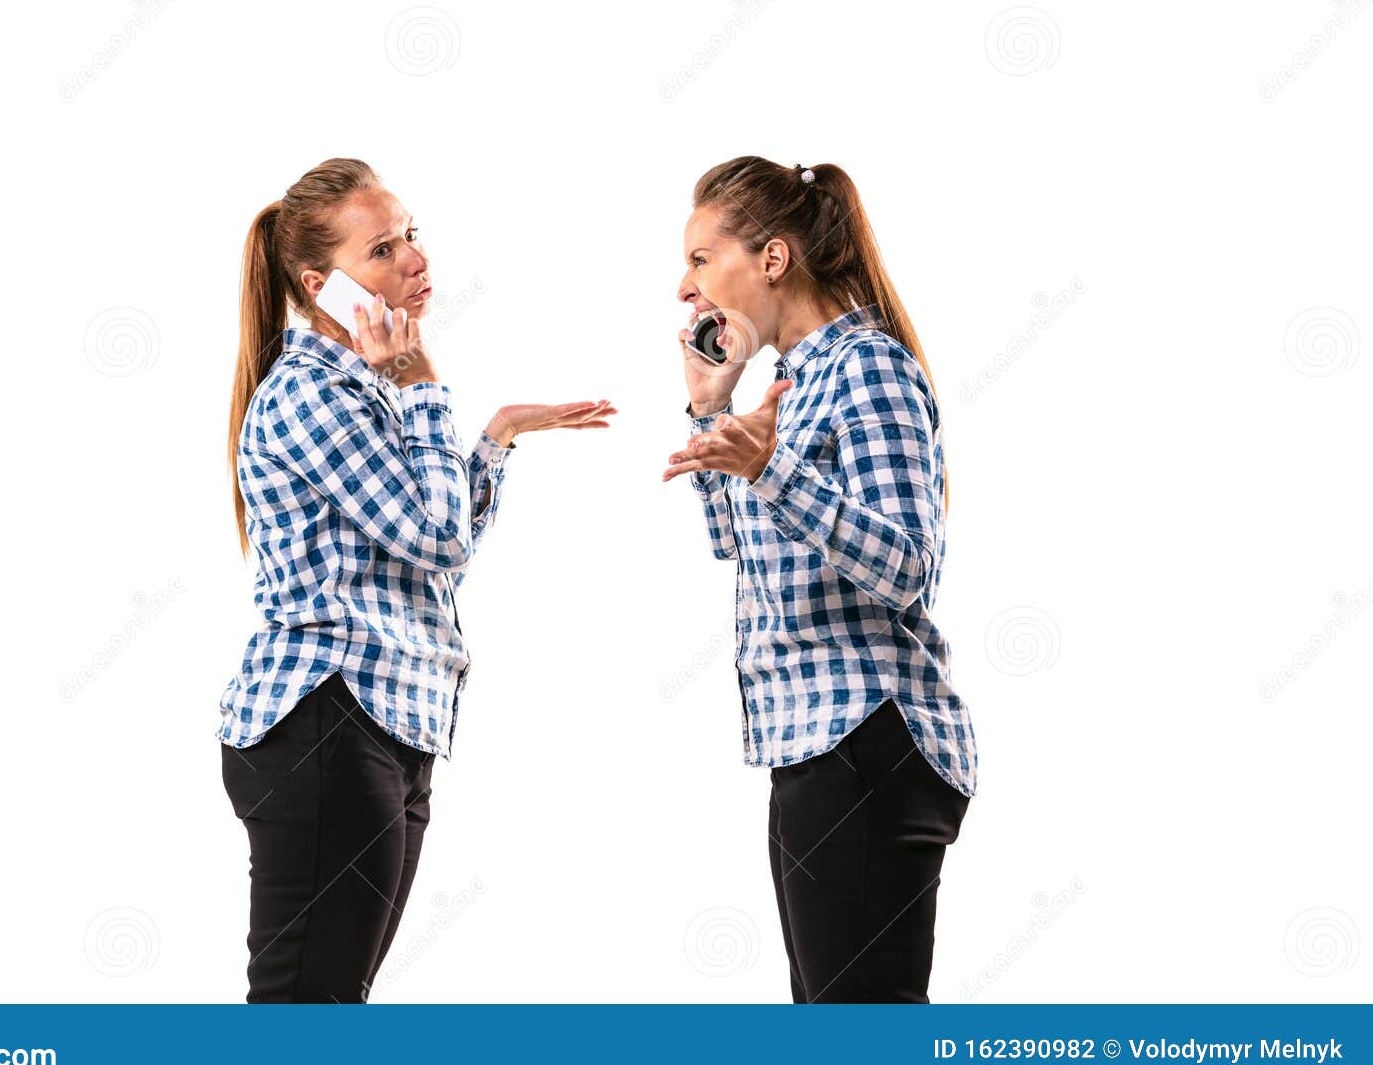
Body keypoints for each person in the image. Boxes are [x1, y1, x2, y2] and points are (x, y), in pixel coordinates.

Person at [219, 157, 616, 1002]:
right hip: (327, 725)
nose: (415, 260)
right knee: (304, 1009)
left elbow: (430, 548)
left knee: (332, 1002)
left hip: (384, 727)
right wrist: (425, 385)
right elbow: (437, 539)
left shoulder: (361, 387)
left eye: (410, 235)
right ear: (321, 286)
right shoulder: (311, 395)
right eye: (382, 250)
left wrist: (497, 437)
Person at [662, 156, 977, 1003]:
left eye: (700, 259)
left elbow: (909, 565)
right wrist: (711, 410)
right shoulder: (791, 385)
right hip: (813, 745)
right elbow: (733, 542)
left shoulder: (867, 367)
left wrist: (771, 470)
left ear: (773, 259)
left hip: (866, 741)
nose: (685, 288)